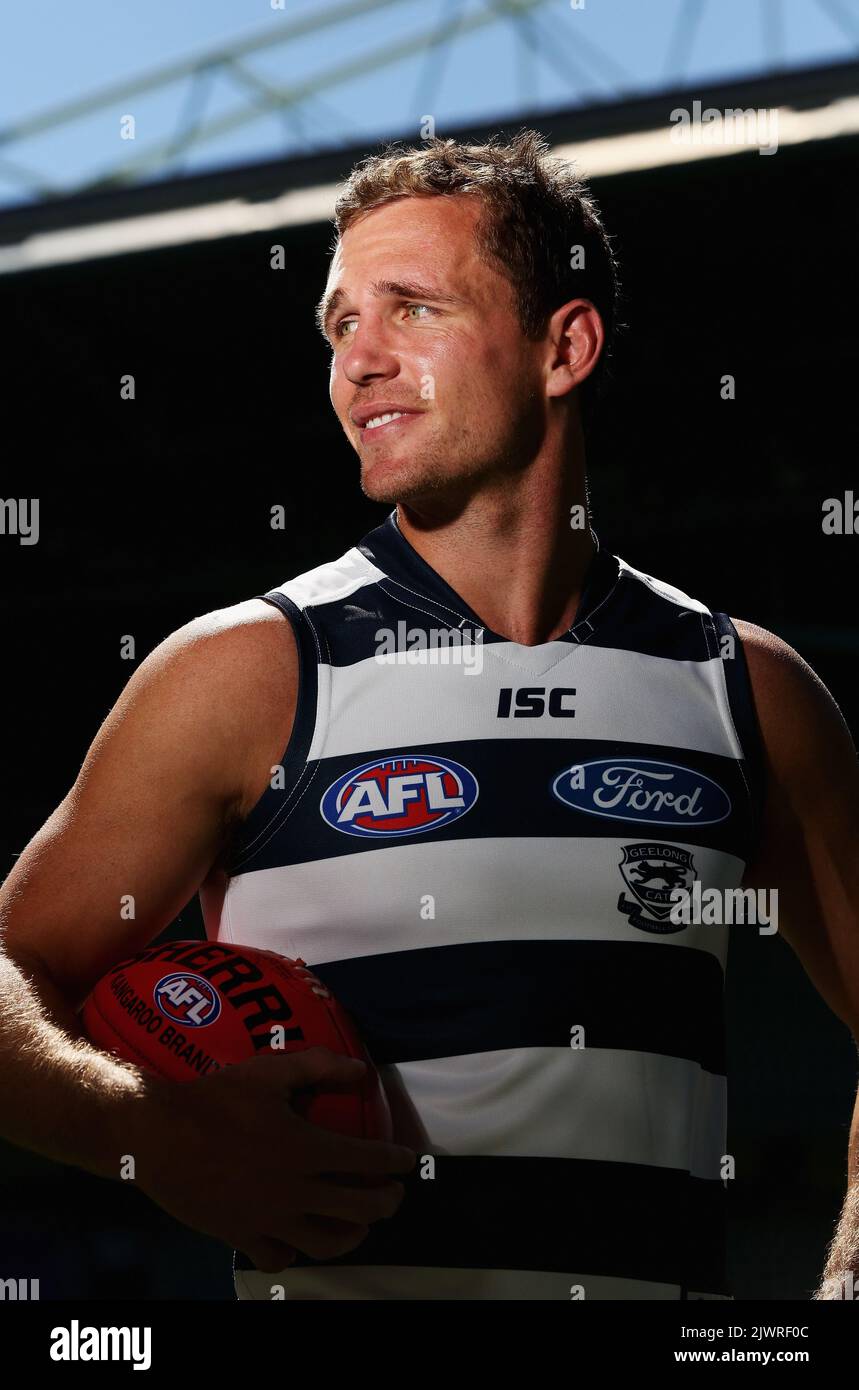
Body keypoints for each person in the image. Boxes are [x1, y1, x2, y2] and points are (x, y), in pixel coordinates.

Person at [1, 131, 857, 1301]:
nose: (359, 361)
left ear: (565, 346)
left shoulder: (743, 686)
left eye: (412, 309)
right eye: (340, 324)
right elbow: (11, 960)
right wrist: (148, 1131)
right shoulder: (250, 669)